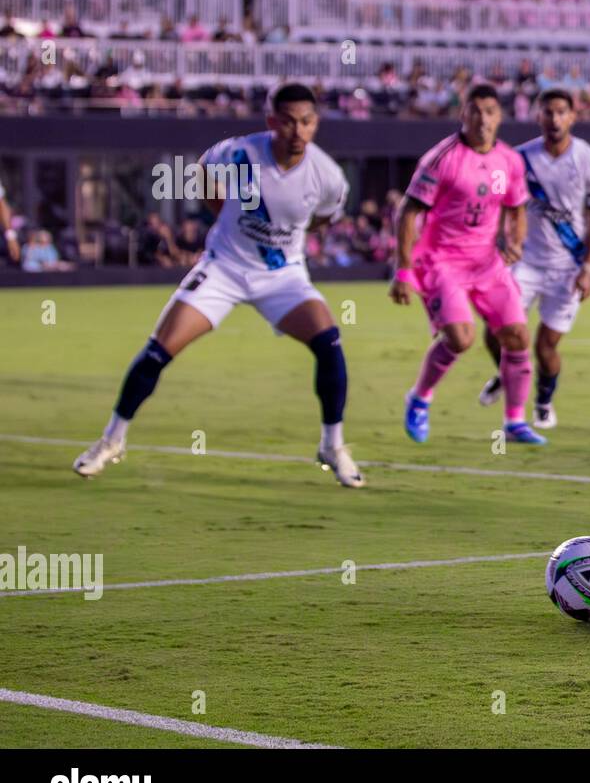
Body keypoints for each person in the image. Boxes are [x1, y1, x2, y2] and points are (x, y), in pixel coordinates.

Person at [72, 83, 363, 487]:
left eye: (307, 122)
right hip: (224, 266)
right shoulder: (240, 152)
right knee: (159, 349)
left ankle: (333, 445)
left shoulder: (327, 175)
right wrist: (223, 212)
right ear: (271, 121)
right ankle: (111, 440)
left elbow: (325, 218)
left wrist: (288, 237)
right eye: (289, 121)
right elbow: (203, 170)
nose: (298, 131)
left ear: (316, 124)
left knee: (329, 342)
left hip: (283, 275)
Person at [390, 84, 547, 446]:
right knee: (461, 338)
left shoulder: (509, 160)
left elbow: (516, 207)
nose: (482, 119)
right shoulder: (442, 158)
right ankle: (419, 398)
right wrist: (402, 270)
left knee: (518, 335)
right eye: (474, 111)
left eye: (490, 111)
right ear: (463, 114)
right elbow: (408, 211)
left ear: (500, 116)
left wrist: (515, 241)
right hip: (440, 261)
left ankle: (514, 422)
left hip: (485, 262)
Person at [478, 89, 590, 429]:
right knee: (495, 332)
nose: (554, 119)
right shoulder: (518, 159)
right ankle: (507, 377)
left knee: (545, 347)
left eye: (560, 113)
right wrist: (498, 245)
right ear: (538, 116)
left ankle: (543, 400)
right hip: (524, 263)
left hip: (568, 267)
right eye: (548, 113)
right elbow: (497, 206)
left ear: (572, 117)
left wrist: (589, 269)